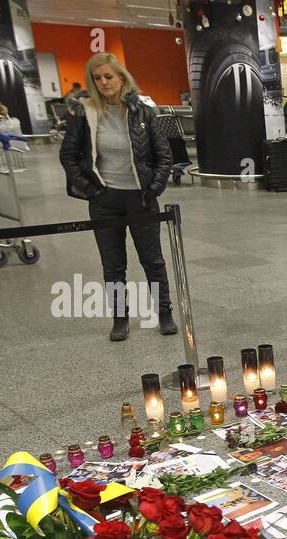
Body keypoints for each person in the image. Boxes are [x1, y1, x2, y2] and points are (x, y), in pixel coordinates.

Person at [59, 53, 176, 342]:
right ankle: (120, 317)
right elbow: (69, 156)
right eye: (97, 78)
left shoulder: (143, 112)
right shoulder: (83, 114)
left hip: (141, 198)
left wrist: (154, 188)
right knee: (113, 264)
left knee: (153, 261)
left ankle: (164, 312)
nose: (103, 83)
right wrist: (91, 191)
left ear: (121, 77)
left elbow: (164, 155)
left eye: (108, 76)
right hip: (104, 199)